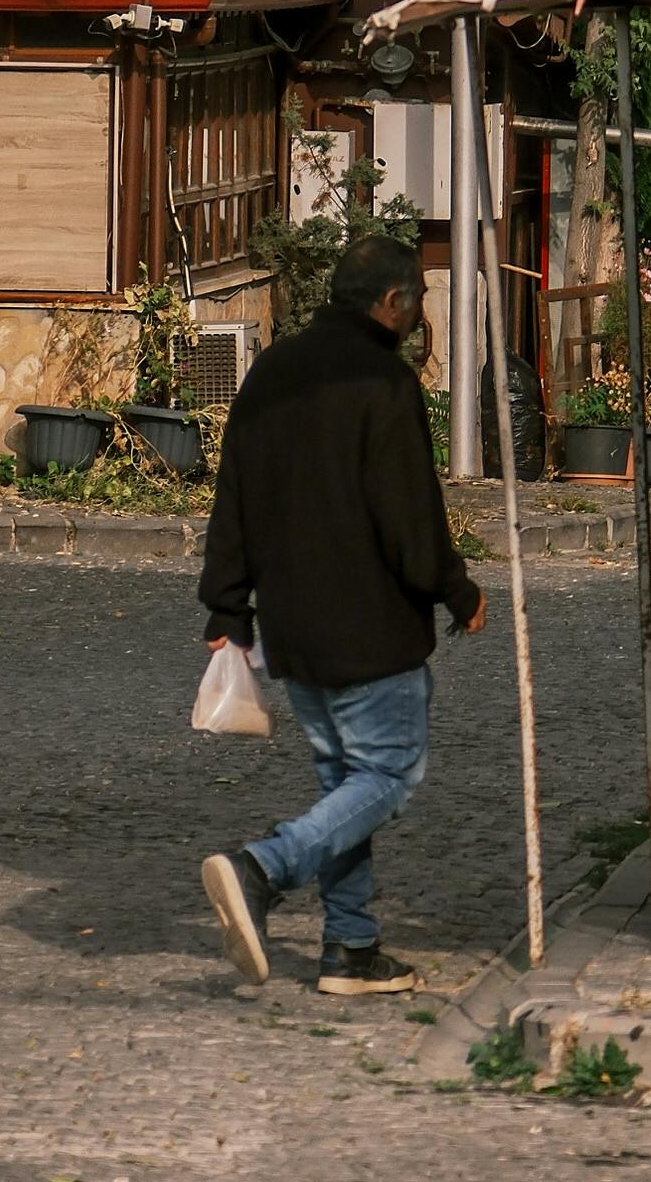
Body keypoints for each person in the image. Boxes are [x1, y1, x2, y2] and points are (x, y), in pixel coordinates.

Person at [196, 231, 483, 996]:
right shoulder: (381, 382)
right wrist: (458, 592)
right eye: (419, 298)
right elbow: (410, 519)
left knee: (345, 788)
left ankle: (350, 948)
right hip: (371, 630)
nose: (422, 313)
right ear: (392, 303)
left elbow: (236, 496)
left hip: (293, 628)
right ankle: (264, 868)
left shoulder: (272, 372)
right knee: (388, 773)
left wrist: (228, 604)